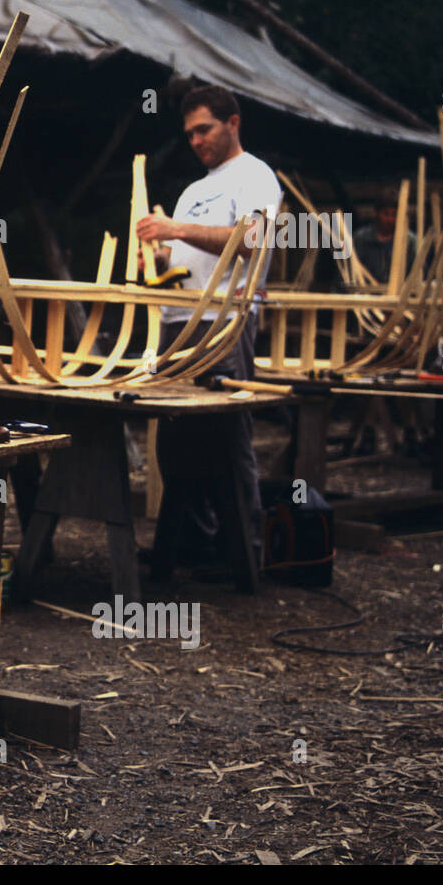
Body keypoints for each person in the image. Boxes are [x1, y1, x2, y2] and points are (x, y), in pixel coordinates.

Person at [136, 85, 281, 580]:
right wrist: (156, 259)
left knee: (225, 434)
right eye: (190, 133)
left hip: (225, 320)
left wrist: (173, 231)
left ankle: (246, 552)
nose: (196, 140)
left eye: (205, 129)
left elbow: (255, 239)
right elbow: (183, 262)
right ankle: (191, 544)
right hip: (179, 322)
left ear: (233, 122)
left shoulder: (255, 175)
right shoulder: (194, 191)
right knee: (175, 441)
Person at [353, 191, 414, 284]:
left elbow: (418, 275)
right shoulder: (361, 239)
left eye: (394, 214)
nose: (390, 219)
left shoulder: (409, 241)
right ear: (376, 213)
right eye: (386, 214)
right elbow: (349, 274)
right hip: (366, 295)